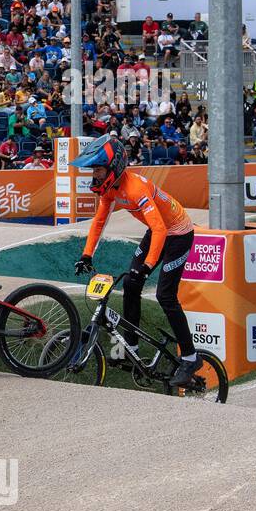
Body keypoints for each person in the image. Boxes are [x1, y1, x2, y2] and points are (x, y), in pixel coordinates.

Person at [69, 134, 200, 387]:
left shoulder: (136, 188)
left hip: (179, 233)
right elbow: (98, 222)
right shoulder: (110, 189)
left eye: (97, 169)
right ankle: (131, 344)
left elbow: (161, 229)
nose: (93, 175)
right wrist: (87, 254)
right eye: (92, 170)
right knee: (130, 283)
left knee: (166, 296)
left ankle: (191, 357)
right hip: (158, 231)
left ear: (113, 166)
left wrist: (148, 266)